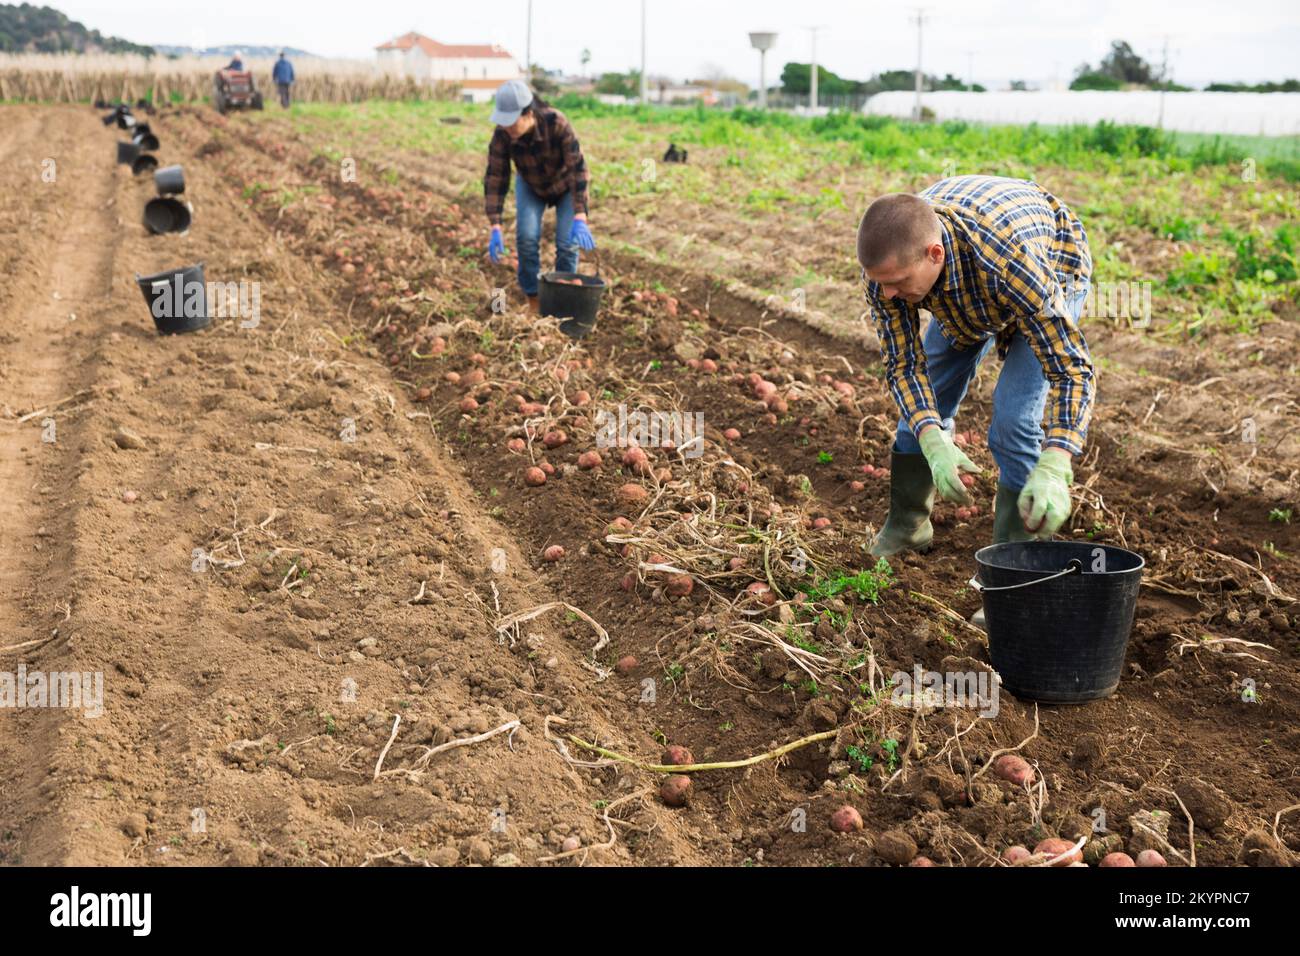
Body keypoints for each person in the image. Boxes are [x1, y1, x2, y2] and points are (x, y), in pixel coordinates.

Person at [857, 175, 1094, 627]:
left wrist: (1057, 461)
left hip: (1048, 269)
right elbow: (905, 367)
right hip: (961, 295)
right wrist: (931, 436)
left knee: (1013, 420)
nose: (888, 295)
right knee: (921, 409)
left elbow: (1071, 368)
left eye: (898, 283)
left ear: (934, 254)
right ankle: (908, 527)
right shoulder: (889, 273)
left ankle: (1017, 576)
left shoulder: (1011, 264)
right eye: (881, 284)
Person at [483, 79, 595, 313]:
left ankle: (563, 302)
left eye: (512, 124)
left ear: (528, 113)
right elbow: (496, 177)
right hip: (531, 185)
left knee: (567, 244)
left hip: (564, 185)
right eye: (504, 124)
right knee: (526, 237)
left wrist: (580, 215)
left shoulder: (557, 123)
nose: (508, 129)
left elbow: (577, 168)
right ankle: (534, 299)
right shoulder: (502, 136)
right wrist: (495, 224)